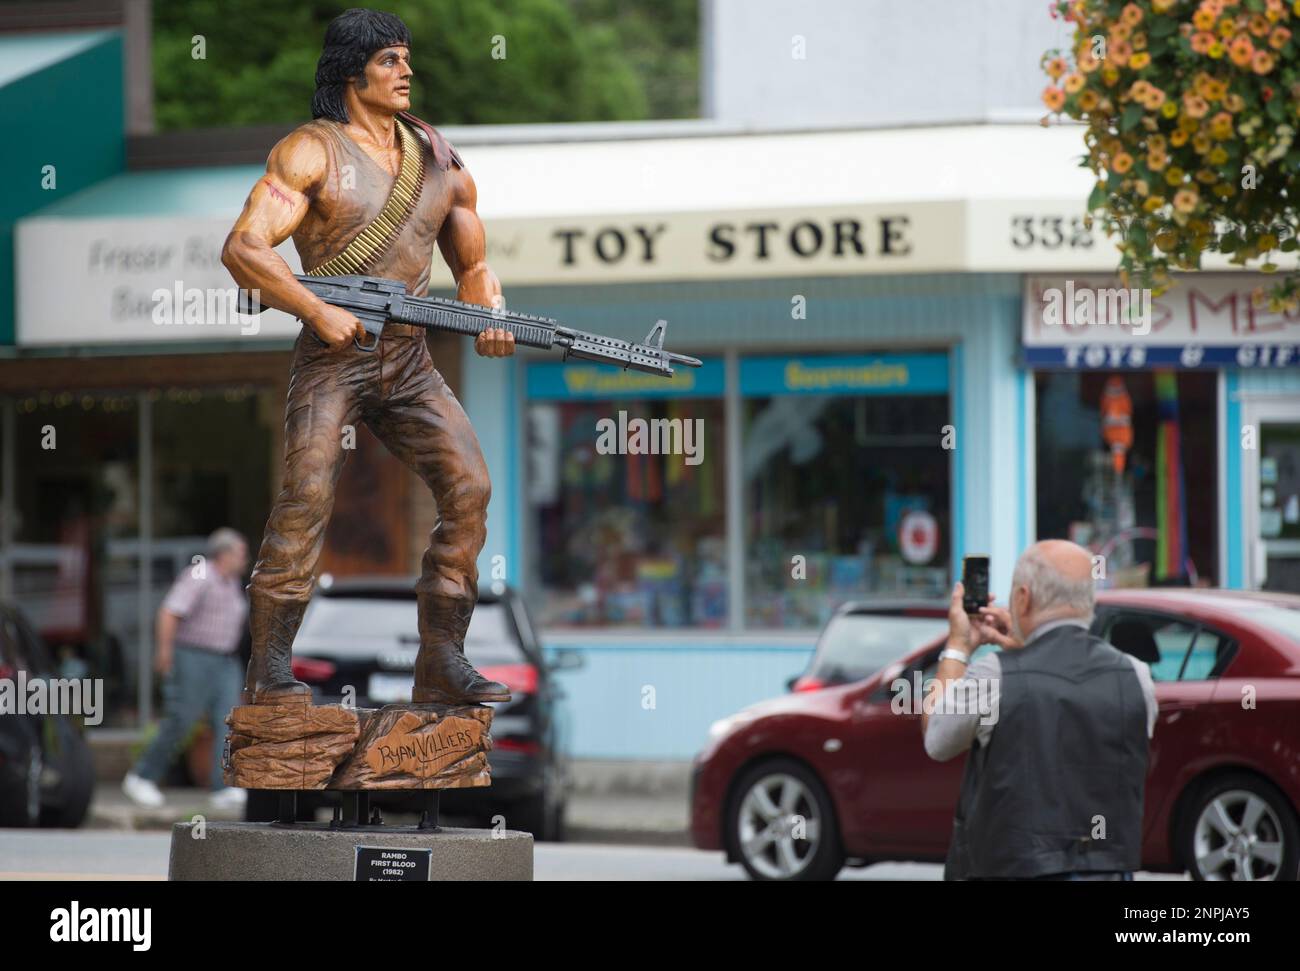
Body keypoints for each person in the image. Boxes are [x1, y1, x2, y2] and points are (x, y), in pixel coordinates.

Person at [221, 9, 514, 707]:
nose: (406, 71)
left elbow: (474, 265)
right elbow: (243, 248)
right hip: (333, 355)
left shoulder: (442, 160)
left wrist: (491, 314)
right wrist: (318, 310)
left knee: (470, 486)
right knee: (305, 497)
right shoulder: (310, 152)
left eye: (407, 59)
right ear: (352, 73)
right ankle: (268, 670)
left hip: (409, 359)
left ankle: (441, 658)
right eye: (389, 60)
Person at [921, 540, 1157, 880]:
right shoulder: (1136, 675)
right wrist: (1026, 650)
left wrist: (958, 647)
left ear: (1023, 598)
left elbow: (937, 738)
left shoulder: (995, 675)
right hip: (1107, 869)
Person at [122, 529, 252, 810]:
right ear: (224, 553)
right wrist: (165, 651)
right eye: (241, 553)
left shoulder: (232, 582)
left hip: (226, 660)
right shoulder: (200, 575)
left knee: (228, 721)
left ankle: (222, 786)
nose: (245, 559)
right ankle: (142, 776)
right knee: (183, 717)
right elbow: (170, 611)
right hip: (194, 655)